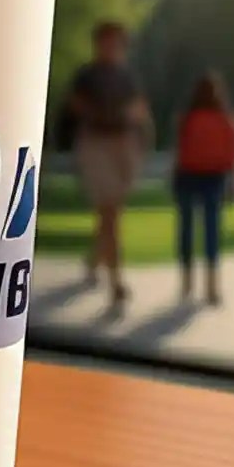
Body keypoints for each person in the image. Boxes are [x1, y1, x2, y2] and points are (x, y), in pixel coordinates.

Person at [67, 21, 151, 307]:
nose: (112, 47)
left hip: (122, 145)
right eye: (107, 41)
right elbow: (75, 105)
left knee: (110, 213)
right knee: (110, 213)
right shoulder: (87, 75)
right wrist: (101, 113)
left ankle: (94, 260)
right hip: (96, 143)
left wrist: (137, 134)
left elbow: (140, 109)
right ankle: (116, 282)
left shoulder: (127, 77)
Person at [173, 71, 234, 306]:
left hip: (188, 174)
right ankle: (212, 287)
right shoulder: (227, 119)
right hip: (214, 177)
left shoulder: (187, 118)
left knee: (186, 229)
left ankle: (187, 283)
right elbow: (233, 153)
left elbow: (180, 150)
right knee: (211, 230)